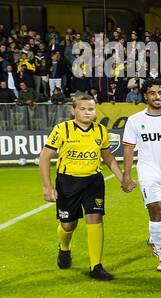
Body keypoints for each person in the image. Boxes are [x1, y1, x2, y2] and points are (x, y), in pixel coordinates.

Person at [37, 91, 131, 280]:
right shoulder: (62, 129)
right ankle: (64, 248)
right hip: (67, 182)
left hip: (93, 181)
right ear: (73, 110)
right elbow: (44, 158)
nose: (88, 112)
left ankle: (96, 266)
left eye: (91, 109)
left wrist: (123, 178)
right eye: (83, 109)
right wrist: (47, 186)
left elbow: (108, 157)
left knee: (95, 218)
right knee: (68, 225)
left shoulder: (100, 131)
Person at [120, 80, 161, 271]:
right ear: (145, 96)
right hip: (149, 172)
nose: (158, 97)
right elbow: (129, 148)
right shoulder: (135, 120)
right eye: (153, 93)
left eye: (160, 93)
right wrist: (126, 175)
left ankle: (154, 238)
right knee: (155, 210)